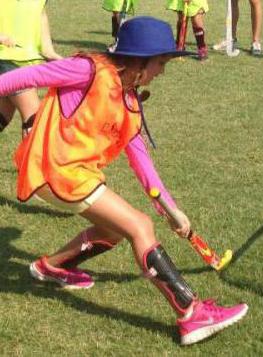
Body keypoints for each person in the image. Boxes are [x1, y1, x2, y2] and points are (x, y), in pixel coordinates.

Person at [0, 16, 248, 345]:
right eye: (161, 62)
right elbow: (24, 76)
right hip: (57, 170)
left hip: (74, 175)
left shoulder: (129, 100)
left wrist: (172, 210)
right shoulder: (88, 70)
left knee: (113, 231)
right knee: (139, 227)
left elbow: (142, 163)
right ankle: (191, 313)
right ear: (139, 59)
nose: (162, 71)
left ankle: (50, 268)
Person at [0, 0, 62, 136]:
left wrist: (48, 50)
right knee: (34, 119)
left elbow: (40, 13)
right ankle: (32, 158)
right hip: (6, 57)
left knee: (3, 114)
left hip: (27, 59)